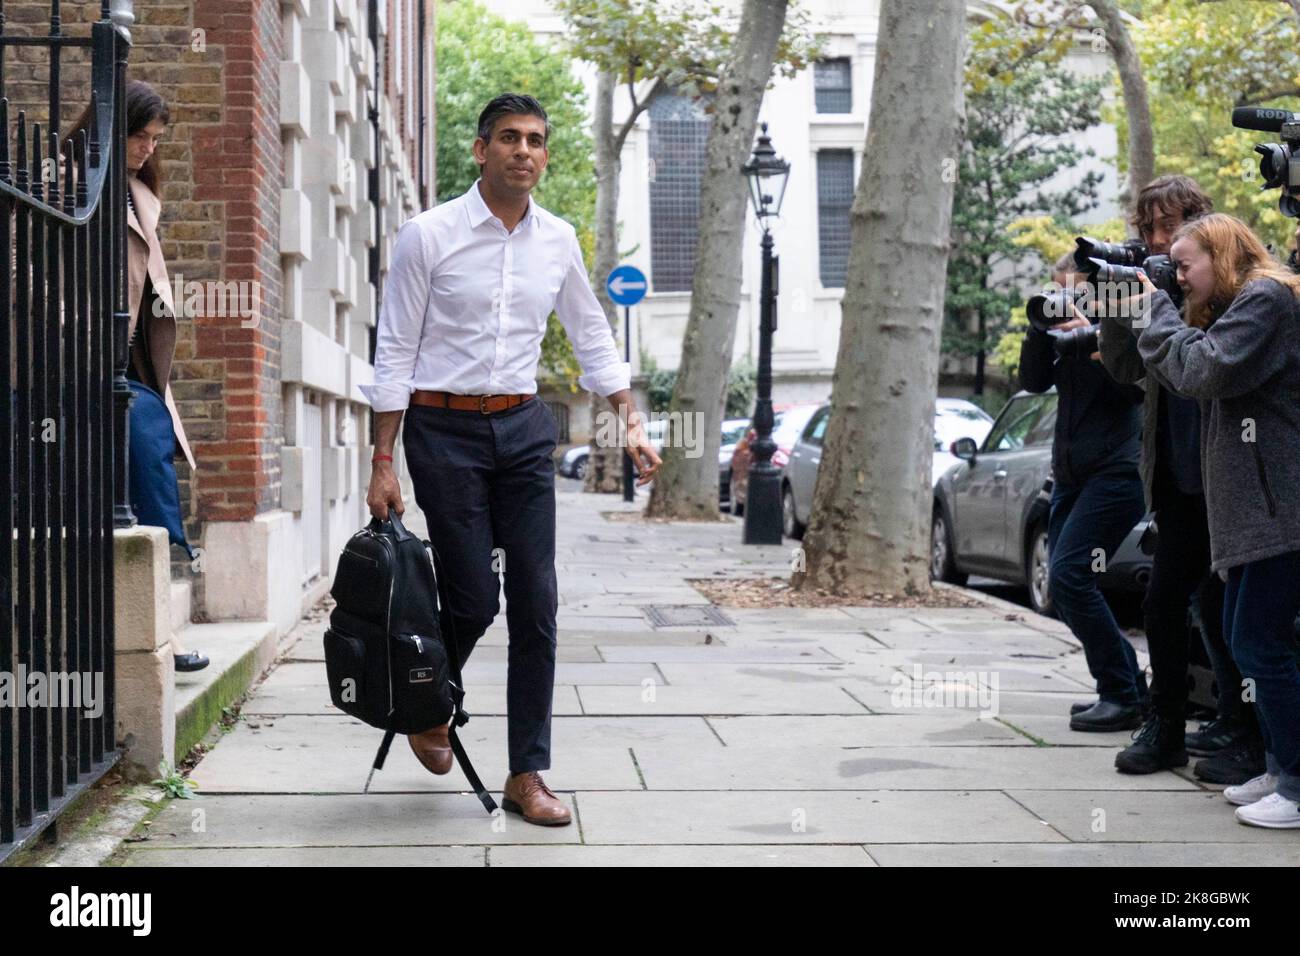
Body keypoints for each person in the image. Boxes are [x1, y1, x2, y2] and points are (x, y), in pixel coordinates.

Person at [361, 93, 661, 827]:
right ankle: (427, 705)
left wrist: (632, 420)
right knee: (472, 597)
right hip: (442, 427)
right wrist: (382, 459)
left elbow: (591, 334)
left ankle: (528, 773)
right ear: (481, 149)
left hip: (525, 428)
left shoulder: (557, 240)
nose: (523, 150)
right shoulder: (427, 236)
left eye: (535, 139)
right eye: (508, 138)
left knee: (538, 600)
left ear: (544, 155)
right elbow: (395, 349)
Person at [1120, 212, 1300, 828]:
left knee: (1258, 641)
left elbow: (1204, 370)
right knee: (1246, 635)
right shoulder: (1242, 306)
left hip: (1282, 510)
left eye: (1184, 263)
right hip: (1260, 512)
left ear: (1221, 256)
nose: (1177, 276)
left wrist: (1154, 309)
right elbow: (1178, 369)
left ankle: (1297, 784)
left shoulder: (1268, 298)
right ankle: (1279, 769)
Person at [1098, 175, 1261, 779]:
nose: (1158, 242)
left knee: (1231, 609)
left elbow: (1205, 365)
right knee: (1165, 600)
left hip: (1235, 478)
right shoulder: (1159, 284)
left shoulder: (1237, 287)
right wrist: (1120, 306)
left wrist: (1162, 299)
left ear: (1199, 223)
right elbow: (1120, 369)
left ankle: (1246, 729)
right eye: (1149, 230)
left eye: (1170, 228)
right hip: (1178, 474)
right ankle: (1164, 723)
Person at [68, 81, 208, 673]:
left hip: (130, 364)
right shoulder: (69, 178)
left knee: (141, 481)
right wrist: (75, 322)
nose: (148, 148)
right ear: (109, 125)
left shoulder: (137, 192)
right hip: (76, 360)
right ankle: (114, 643)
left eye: (155, 139)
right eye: (139, 135)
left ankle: (158, 639)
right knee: (99, 501)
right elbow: (25, 266)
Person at [1020, 254, 1148, 732]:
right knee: (1065, 581)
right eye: (1058, 293)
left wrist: (1097, 336)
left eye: (1074, 294)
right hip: (1069, 474)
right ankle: (1128, 686)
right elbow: (1031, 382)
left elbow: (1132, 393)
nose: (1064, 303)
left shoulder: (1118, 326)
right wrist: (1041, 328)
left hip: (1117, 473)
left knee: (1072, 575)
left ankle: (1122, 692)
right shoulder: (1059, 333)